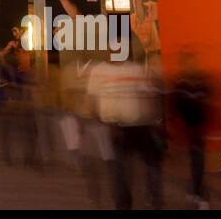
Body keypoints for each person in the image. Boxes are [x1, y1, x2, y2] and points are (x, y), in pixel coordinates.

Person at [87, 38, 165, 209]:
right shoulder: (98, 71)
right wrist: (104, 123)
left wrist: (155, 121)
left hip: (141, 126)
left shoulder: (136, 70)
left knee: (148, 164)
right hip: (116, 127)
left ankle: (152, 198)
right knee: (121, 168)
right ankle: (125, 202)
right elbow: (92, 103)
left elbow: (149, 96)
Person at [172, 51, 212, 209]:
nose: (190, 65)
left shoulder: (201, 80)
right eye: (187, 62)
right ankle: (198, 193)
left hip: (198, 127)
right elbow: (175, 106)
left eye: (192, 62)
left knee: (197, 161)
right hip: (188, 128)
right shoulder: (180, 83)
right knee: (197, 161)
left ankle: (195, 191)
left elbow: (208, 100)